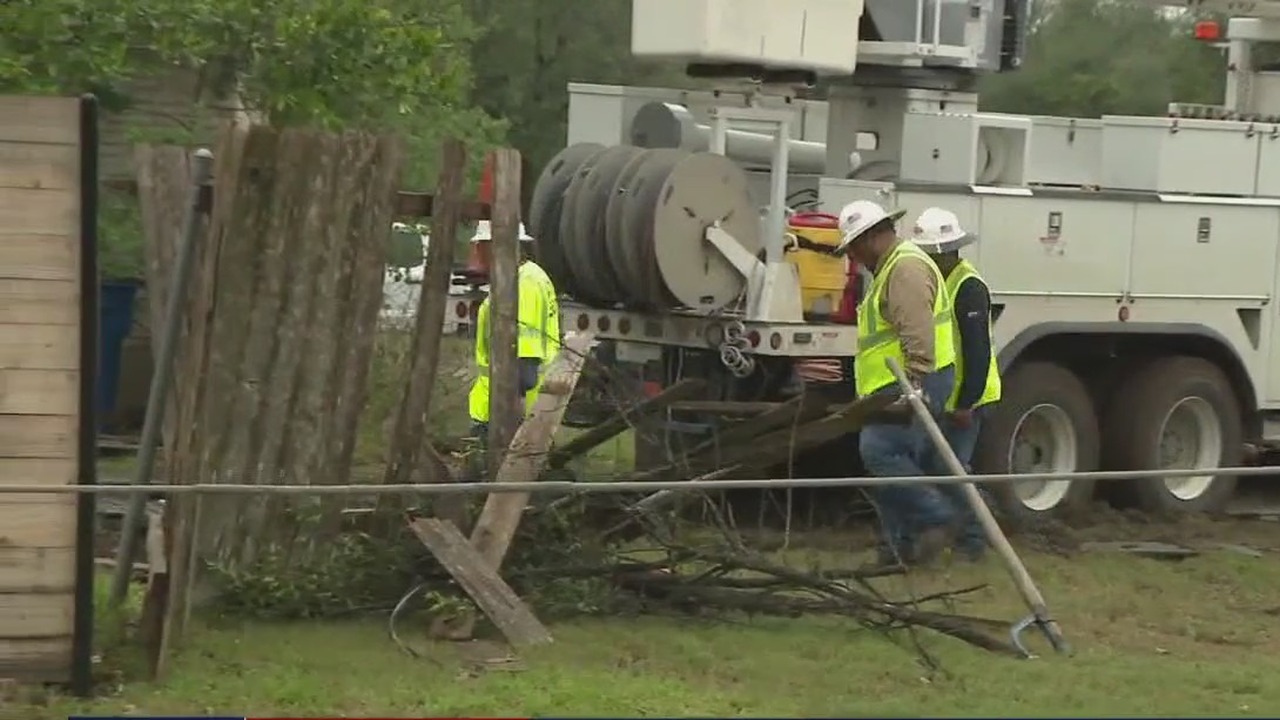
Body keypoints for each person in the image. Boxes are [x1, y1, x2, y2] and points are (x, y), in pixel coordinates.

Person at [834, 200, 958, 568]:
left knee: (881, 453)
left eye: (854, 248)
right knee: (891, 462)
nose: (853, 258)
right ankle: (896, 550)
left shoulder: (903, 268)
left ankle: (936, 517)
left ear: (871, 238)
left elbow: (916, 329)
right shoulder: (893, 268)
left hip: (909, 380)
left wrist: (915, 385)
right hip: (895, 381)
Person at [912, 207, 1002, 561]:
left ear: (950, 251)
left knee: (953, 471)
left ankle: (975, 539)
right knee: (944, 467)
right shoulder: (941, 282)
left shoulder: (968, 286)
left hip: (970, 396)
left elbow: (978, 350)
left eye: (935, 254)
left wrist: (966, 402)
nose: (931, 259)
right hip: (950, 396)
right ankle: (972, 531)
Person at [468, 221, 561, 448]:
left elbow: (525, 358)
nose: (477, 252)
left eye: (482, 245)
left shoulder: (525, 284)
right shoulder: (518, 278)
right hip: (501, 409)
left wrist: (511, 416)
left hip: (508, 414)